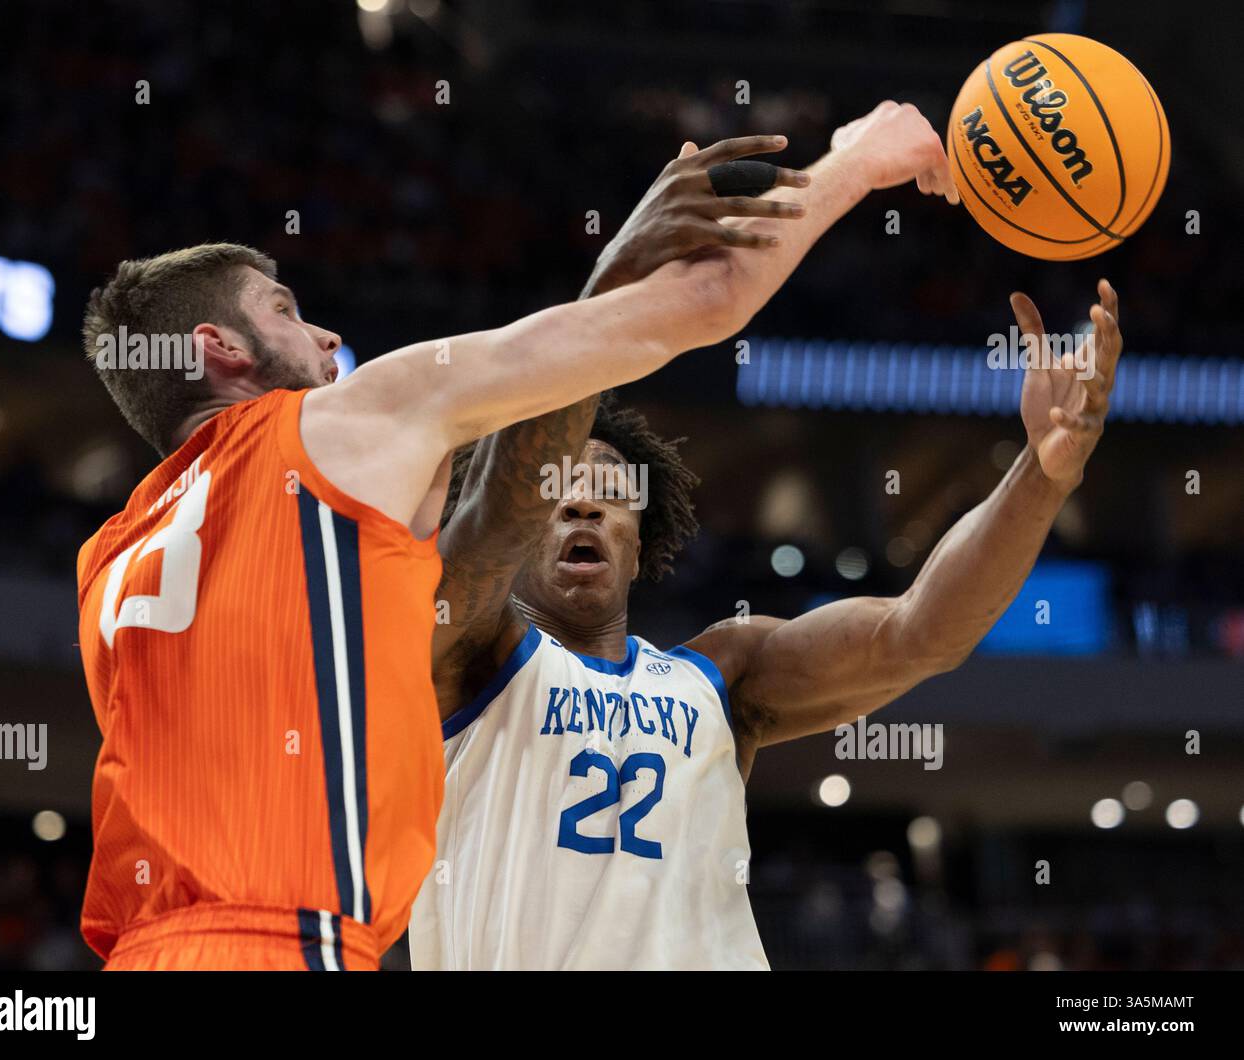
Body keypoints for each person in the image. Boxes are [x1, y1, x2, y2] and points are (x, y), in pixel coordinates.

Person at [76, 106, 951, 970]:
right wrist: (857, 160)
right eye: (286, 309)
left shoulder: (107, 561)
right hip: (281, 945)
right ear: (219, 347)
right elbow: (706, 303)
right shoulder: (339, 423)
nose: (327, 334)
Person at [410, 109, 1123, 969]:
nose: (583, 509)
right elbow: (504, 490)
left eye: (608, 496)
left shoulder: (724, 674)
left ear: (645, 537)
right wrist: (614, 279)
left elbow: (923, 631)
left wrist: (1041, 477)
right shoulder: (459, 654)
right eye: (558, 494)